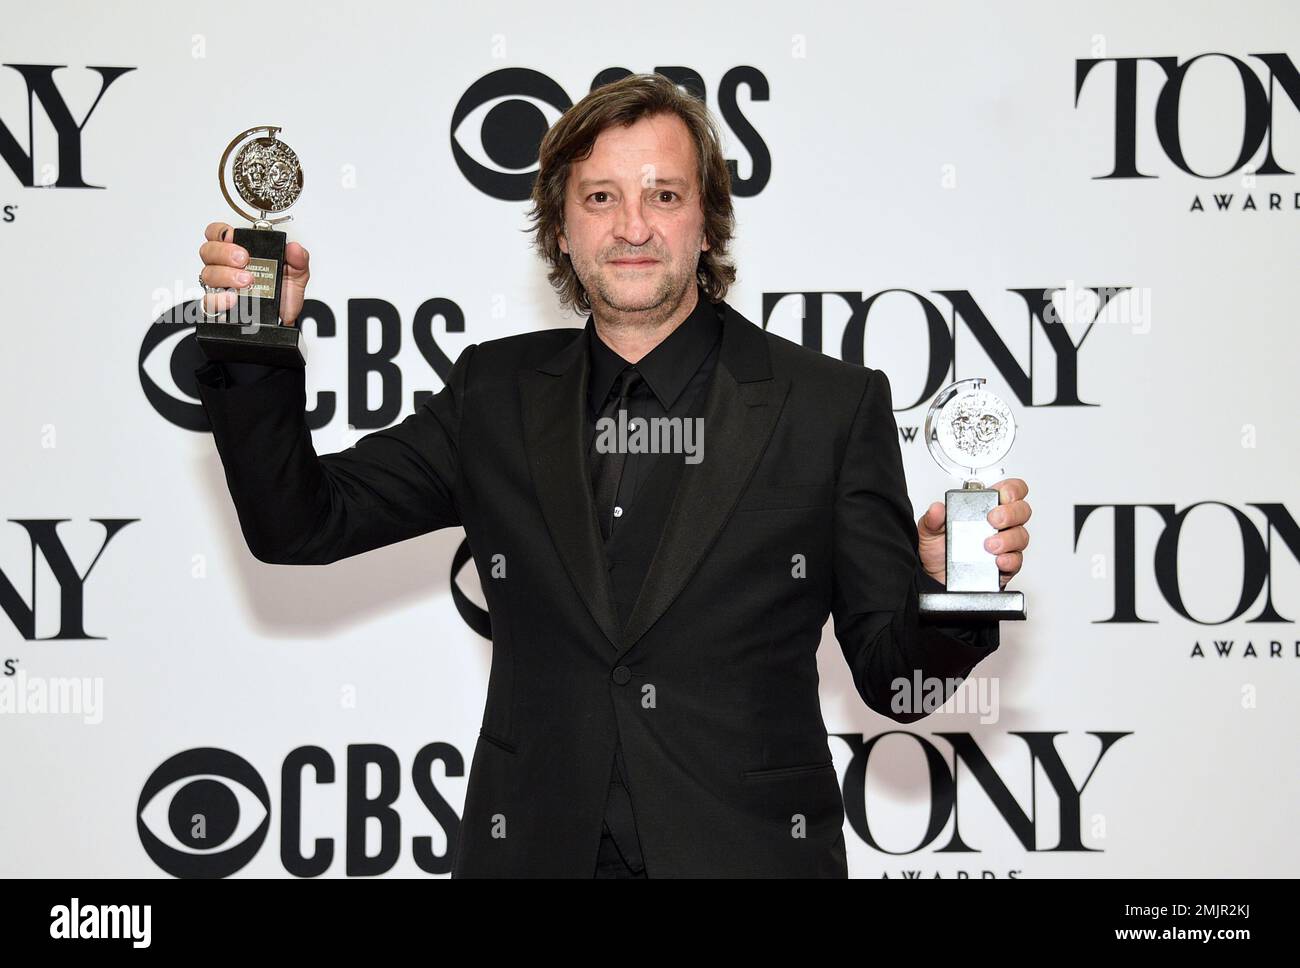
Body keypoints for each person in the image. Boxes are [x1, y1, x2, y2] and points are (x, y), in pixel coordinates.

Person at [193, 73, 1032, 877]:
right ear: (561, 229)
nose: (633, 226)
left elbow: (897, 683)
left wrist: (952, 589)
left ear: (708, 224)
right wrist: (255, 340)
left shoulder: (827, 407)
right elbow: (298, 527)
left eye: (664, 195)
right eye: (601, 197)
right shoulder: (495, 393)